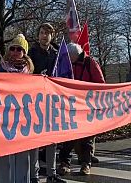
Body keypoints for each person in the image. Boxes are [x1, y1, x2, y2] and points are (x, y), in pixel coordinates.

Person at [58, 43, 105, 176]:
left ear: (77, 55)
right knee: (68, 137)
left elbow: (100, 84)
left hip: (87, 106)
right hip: (70, 106)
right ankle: (64, 163)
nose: (68, 59)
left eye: (70, 56)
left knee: (87, 138)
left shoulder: (91, 63)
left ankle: (86, 164)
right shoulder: (66, 63)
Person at [28, 23, 66, 183]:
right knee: (35, 139)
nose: (44, 36)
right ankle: (34, 175)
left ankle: (51, 173)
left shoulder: (57, 54)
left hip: (52, 101)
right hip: (35, 101)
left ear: (52, 36)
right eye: (42, 32)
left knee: (52, 139)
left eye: (47, 33)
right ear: (38, 35)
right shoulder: (31, 53)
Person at [0, 34, 33, 183]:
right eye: (13, 48)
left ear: (24, 52)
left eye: (20, 49)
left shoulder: (30, 73)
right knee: (5, 156)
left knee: (23, 155)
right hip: (5, 119)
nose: (16, 51)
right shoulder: (1, 69)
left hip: (24, 118)